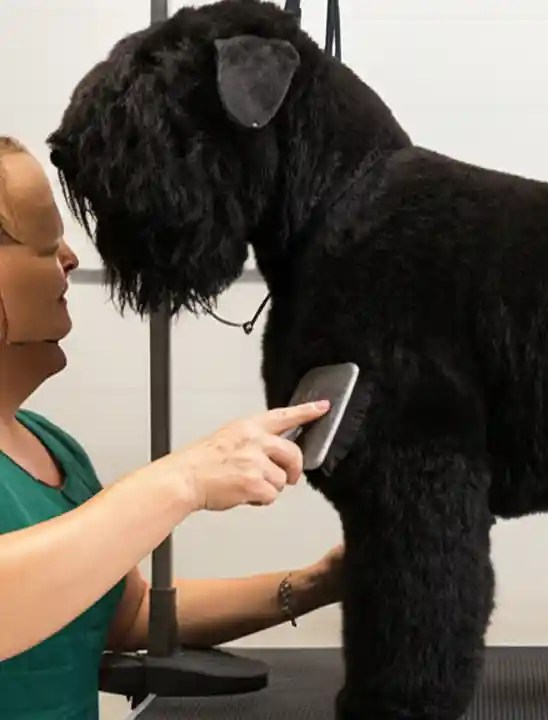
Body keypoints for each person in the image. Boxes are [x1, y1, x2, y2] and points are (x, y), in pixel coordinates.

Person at [0, 134, 345, 718]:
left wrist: (318, 583)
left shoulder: (51, 447)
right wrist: (182, 480)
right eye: (46, 242)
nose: (71, 260)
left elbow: (127, 614)